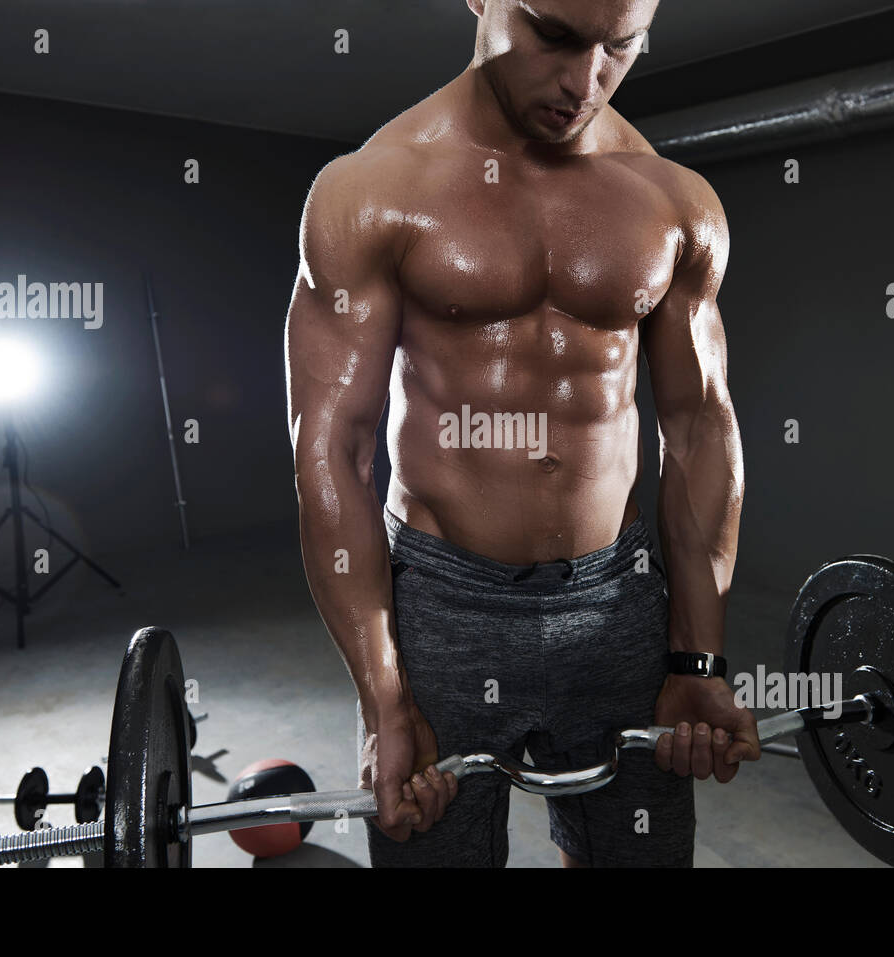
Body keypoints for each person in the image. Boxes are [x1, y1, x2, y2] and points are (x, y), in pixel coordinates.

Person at [285, 0, 759, 867]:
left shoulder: (673, 201)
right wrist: (383, 697)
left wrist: (697, 655)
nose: (586, 83)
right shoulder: (371, 190)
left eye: (622, 47)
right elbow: (333, 452)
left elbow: (698, 429)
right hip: (443, 612)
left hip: (619, 608)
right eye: (555, 36)